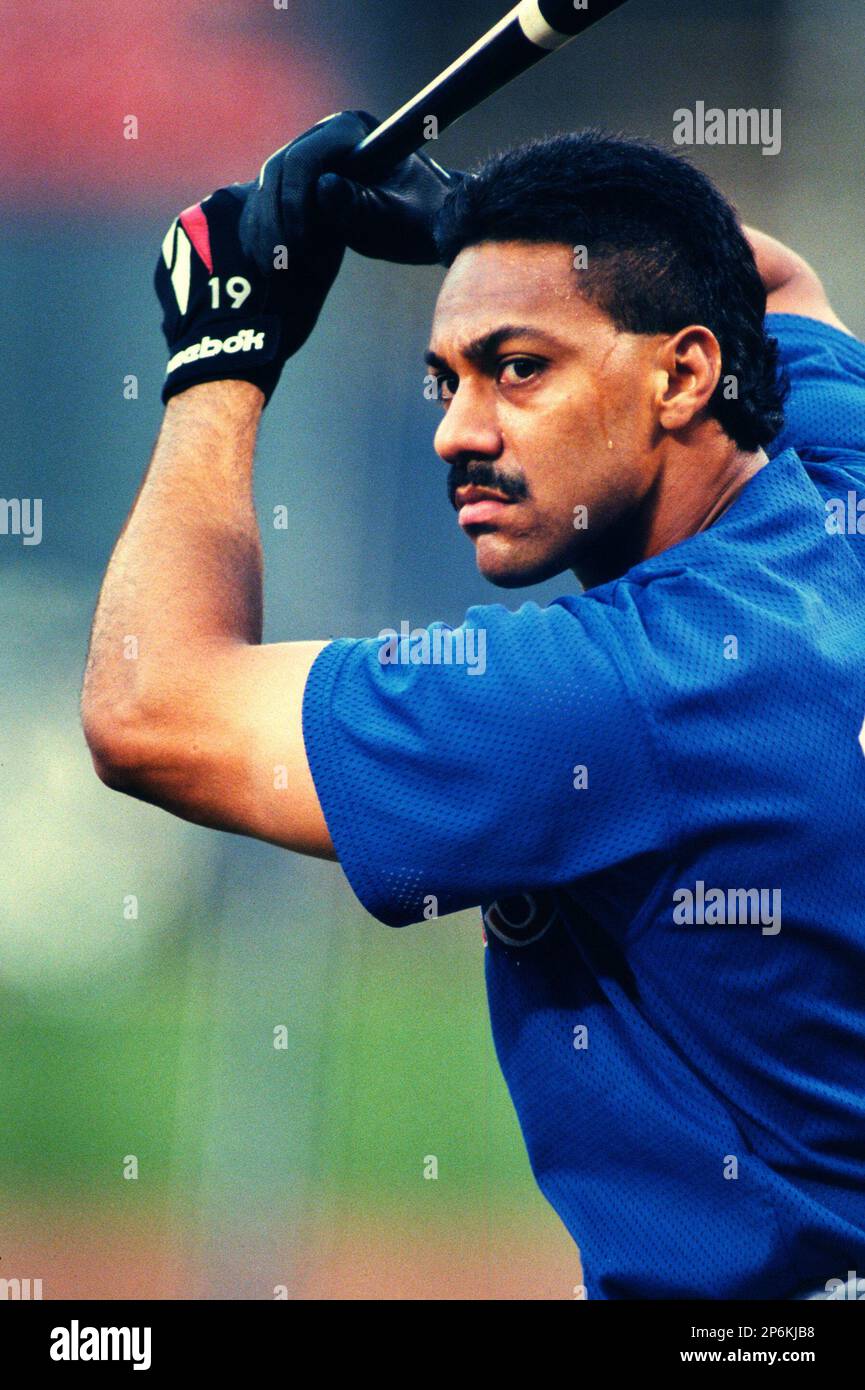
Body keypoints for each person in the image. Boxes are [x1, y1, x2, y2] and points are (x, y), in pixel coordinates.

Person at [82, 111, 865, 1299]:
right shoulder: (832, 485)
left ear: (685, 371)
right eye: (445, 377)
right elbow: (768, 275)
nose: (457, 430)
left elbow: (147, 706)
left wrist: (219, 356)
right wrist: (473, 218)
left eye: (518, 367)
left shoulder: (609, 695)